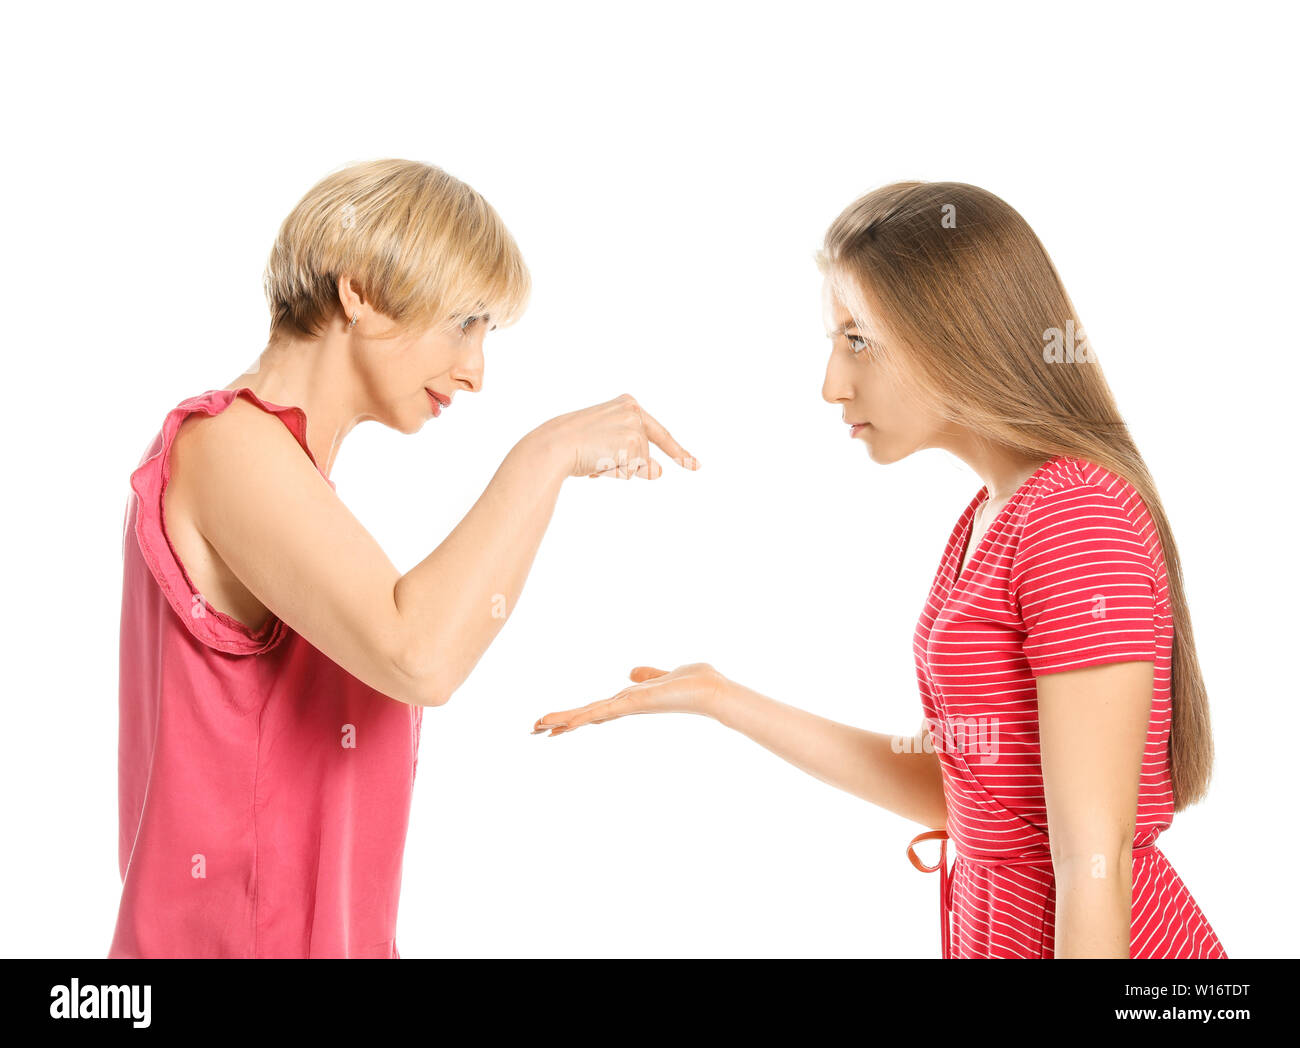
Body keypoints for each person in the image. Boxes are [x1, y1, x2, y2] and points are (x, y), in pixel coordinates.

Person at [533, 181, 1227, 959]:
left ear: (954, 337)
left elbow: (1092, 864)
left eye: (857, 339)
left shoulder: (1075, 516)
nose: (832, 383)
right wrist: (719, 697)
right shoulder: (992, 517)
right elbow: (960, 796)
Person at [110, 158, 699, 958]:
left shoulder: (286, 479)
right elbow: (419, 654)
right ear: (359, 291)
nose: (476, 371)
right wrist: (547, 453)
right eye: (465, 322)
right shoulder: (227, 442)